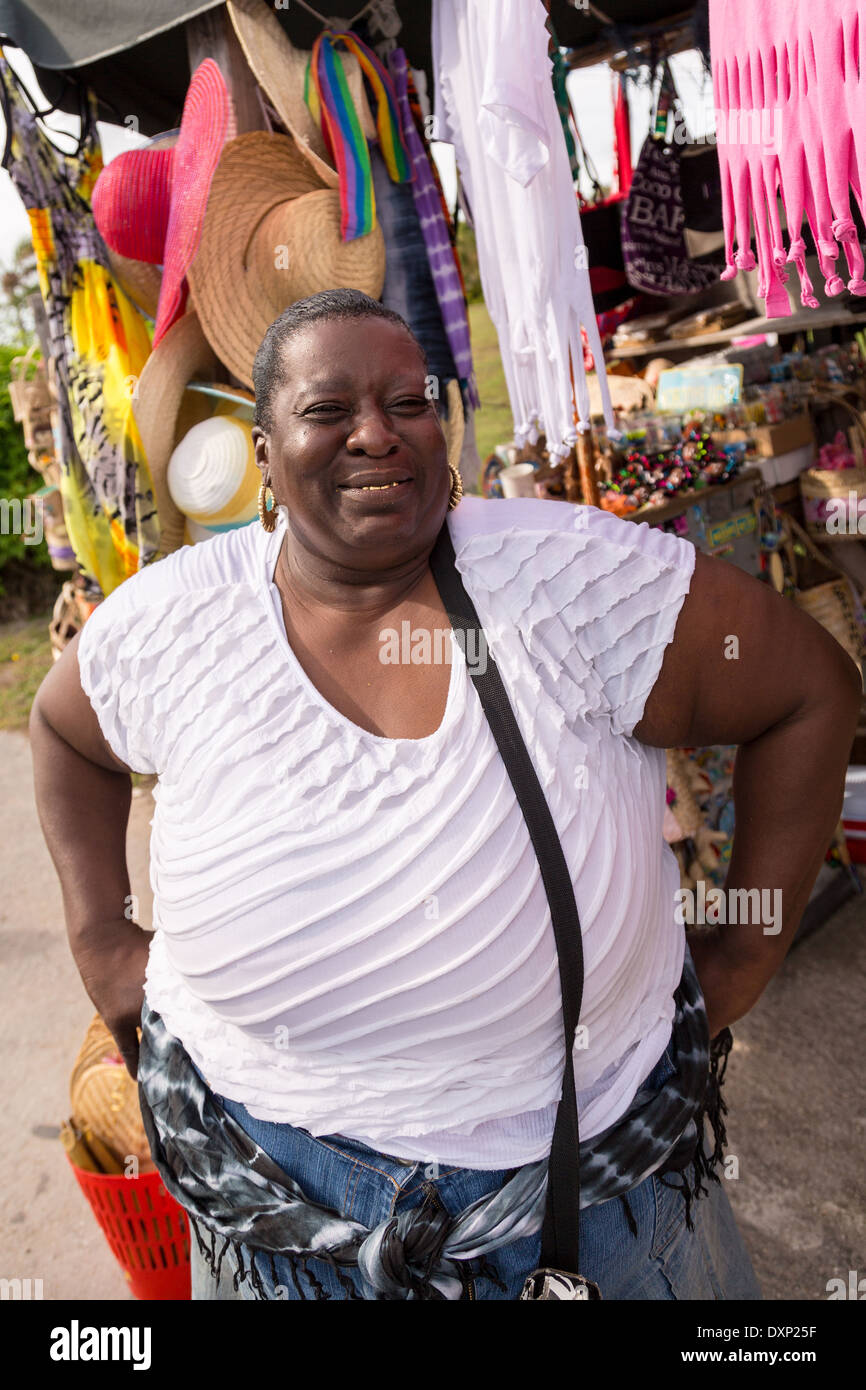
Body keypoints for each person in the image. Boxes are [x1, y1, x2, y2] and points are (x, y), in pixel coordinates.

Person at [31, 289, 860, 1301]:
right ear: (263, 453)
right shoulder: (179, 621)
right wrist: (103, 941)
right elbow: (67, 730)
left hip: (591, 1211)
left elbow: (807, 692)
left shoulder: (572, 580)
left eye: (408, 402)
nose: (377, 433)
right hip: (274, 1213)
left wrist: (746, 949)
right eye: (329, 410)